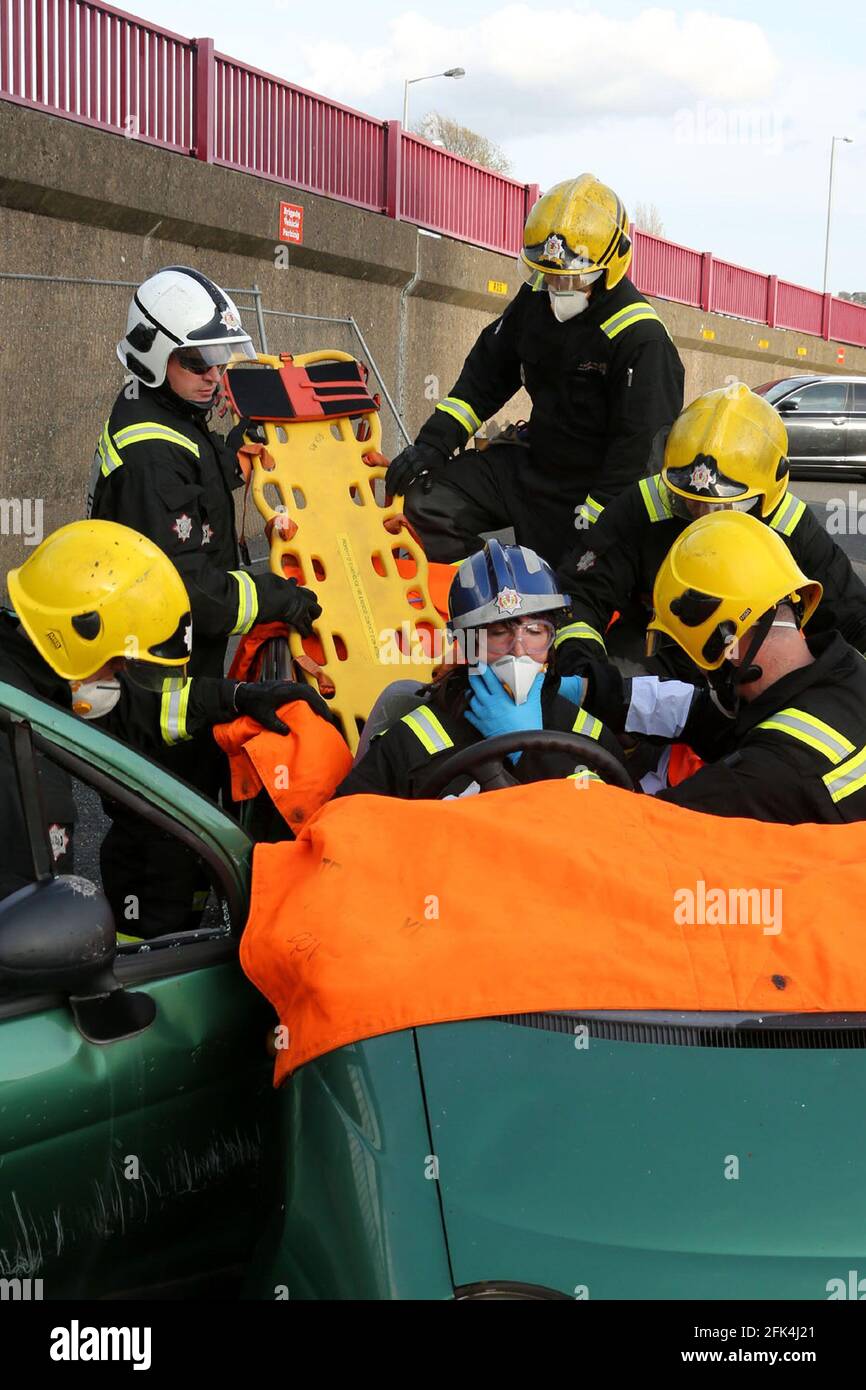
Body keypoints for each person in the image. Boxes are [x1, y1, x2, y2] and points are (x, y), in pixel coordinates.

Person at [0, 521, 328, 921]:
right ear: (78, 637)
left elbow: (131, 708)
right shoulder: (28, 779)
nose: (119, 676)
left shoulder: (24, 661)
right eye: (118, 662)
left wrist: (234, 696)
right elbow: (36, 939)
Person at [385, 174, 684, 567]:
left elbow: (638, 453)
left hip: (591, 489)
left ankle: (537, 603)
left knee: (580, 573)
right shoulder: (535, 299)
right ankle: (493, 589)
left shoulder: (641, 339)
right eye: (548, 273)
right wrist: (433, 444)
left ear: (611, 268)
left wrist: (596, 522)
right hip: (533, 465)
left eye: (572, 278)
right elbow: (484, 378)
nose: (559, 286)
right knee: (427, 503)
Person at [553, 384, 866, 682]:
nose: (704, 516)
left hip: (748, 654)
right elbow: (582, 593)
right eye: (689, 501)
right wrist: (585, 672)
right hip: (657, 647)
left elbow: (850, 617)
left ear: (769, 492)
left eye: (727, 506)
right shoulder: (645, 503)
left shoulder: (789, 523)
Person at [625, 509, 866, 822]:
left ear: (726, 644)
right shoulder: (847, 671)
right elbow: (712, 718)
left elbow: (648, 832)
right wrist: (598, 691)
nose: (700, 671)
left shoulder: (760, 778)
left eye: (696, 656)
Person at [334, 539, 624, 799]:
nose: (519, 651)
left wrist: (531, 753)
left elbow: (621, 838)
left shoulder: (588, 738)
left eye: (536, 631)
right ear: (467, 643)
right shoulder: (413, 740)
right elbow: (345, 831)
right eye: (498, 633)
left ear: (553, 639)